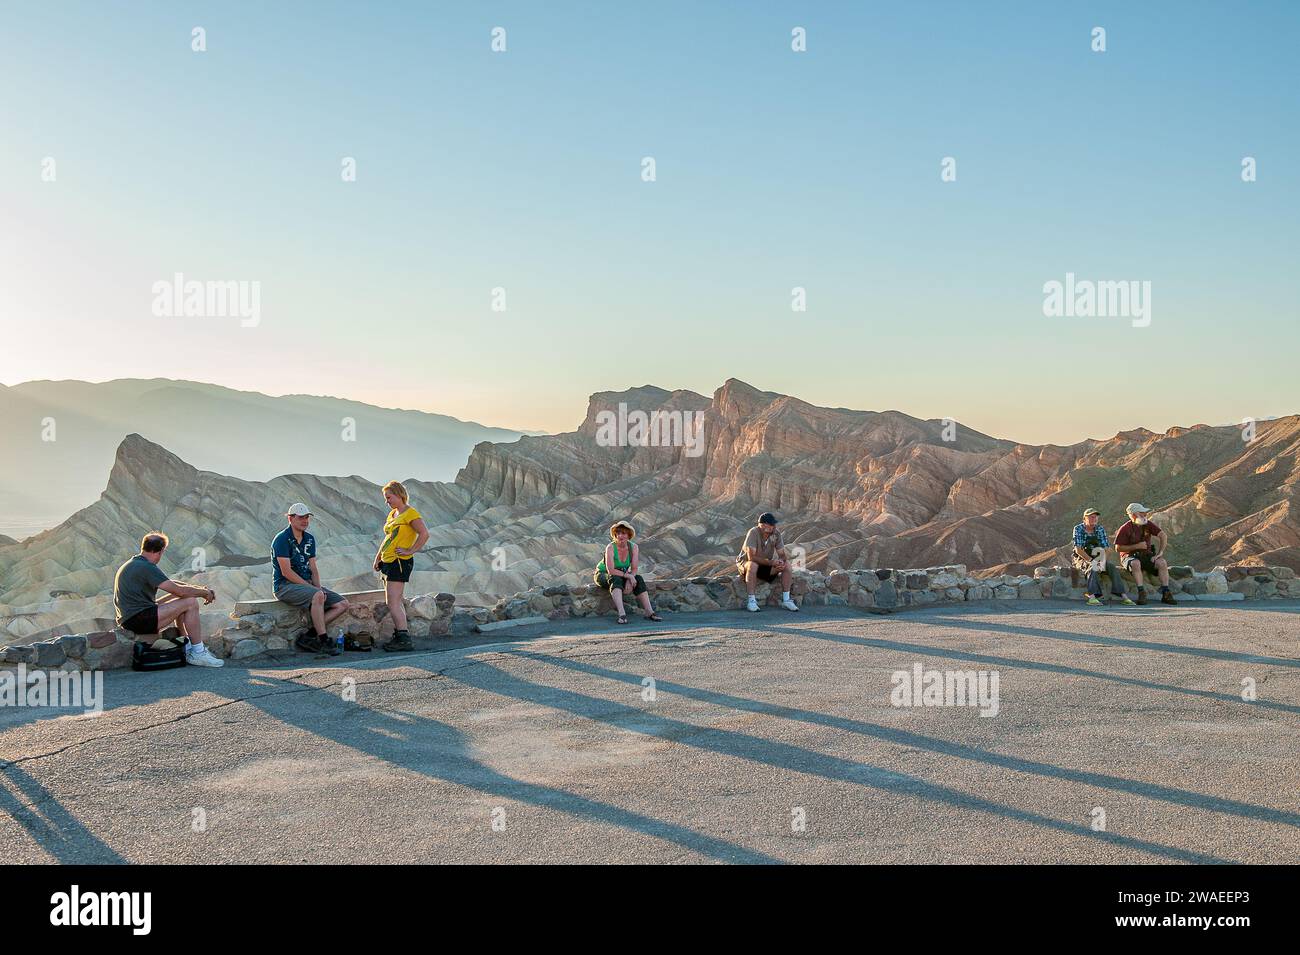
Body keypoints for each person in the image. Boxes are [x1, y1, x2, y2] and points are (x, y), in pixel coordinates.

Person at [112, 532, 223, 667]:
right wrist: (204, 593)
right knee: (190, 602)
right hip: (138, 620)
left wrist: (198, 589)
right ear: (160, 551)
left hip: (133, 618)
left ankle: (187, 647)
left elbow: (175, 585)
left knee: (185, 599)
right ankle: (198, 652)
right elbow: (179, 591)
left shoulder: (135, 563)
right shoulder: (147, 567)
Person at [272, 503, 351, 654]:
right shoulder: (281, 539)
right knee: (317, 594)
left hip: (306, 584)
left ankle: (309, 636)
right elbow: (286, 572)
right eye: (301, 517)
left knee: (342, 604)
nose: (305, 521)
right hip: (285, 586)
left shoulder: (309, 539)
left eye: (307, 517)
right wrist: (313, 590)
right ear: (290, 518)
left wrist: (318, 587)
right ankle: (323, 640)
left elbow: (313, 568)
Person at [371, 481, 429, 652]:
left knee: (393, 602)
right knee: (396, 601)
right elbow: (388, 538)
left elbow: (424, 534)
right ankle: (401, 636)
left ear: (399, 495)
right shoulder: (393, 514)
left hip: (399, 562)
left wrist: (410, 550)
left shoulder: (411, 514)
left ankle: (403, 639)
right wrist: (378, 557)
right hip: (388, 561)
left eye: (389, 497)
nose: (387, 501)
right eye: (385, 498)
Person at [595, 521, 662, 625]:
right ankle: (622, 614)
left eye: (624, 533)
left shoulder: (633, 547)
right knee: (615, 579)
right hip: (603, 574)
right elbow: (610, 570)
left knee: (638, 578)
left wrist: (629, 579)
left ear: (629, 535)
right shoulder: (610, 547)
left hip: (622, 573)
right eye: (618, 533)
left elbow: (634, 568)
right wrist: (628, 576)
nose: (620, 536)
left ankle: (649, 612)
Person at [1114, 502, 1177, 605]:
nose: (1145, 515)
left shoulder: (1147, 524)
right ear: (1134, 515)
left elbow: (1163, 535)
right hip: (1129, 557)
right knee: (1136, 563)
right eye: (1142, 513)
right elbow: (1118, 548)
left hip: (1146, 555)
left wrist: (1159, 553)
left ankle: (1166, 592)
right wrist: (1136, 546)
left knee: (1162, 563)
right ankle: (1141, 592)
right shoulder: (1125, 528)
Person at [1071, 507, 1134, 607]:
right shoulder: (1078, 529)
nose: (1094, 519)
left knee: (1112, 567)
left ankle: (1123, 596)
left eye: (1096, 517)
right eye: (1091, 517)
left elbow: (1107, 549)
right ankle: (1092, 597)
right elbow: (1078, 549)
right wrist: (1091, 561)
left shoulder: (1100, 529)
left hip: (1098, 556)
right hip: (1082, 557)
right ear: (1084, 519)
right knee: (1093, 568)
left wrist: (1102, 561)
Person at [737, 512, 799, 612]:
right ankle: (751, 601)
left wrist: (781, 562)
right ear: (762, 525)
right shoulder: (753, 533)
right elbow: (751, 557)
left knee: (787, 565)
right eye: (771, 524)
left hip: (764, 566)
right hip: (746, 563)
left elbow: (782, 554)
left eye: (774, 524)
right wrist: (771, 563)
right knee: (752, 565)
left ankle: (786, 600)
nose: (773, 526)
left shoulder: (776, 534)